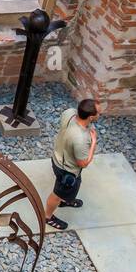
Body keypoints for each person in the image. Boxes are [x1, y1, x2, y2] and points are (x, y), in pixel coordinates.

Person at [45, 98, 100, 231]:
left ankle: (66, 200)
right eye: (99, 113)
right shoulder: (80, 139)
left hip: (58, 157)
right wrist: (93, 143)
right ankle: (47, 216)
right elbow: (83, 163)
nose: (100, 115)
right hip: (66, 171)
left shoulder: (69, 113)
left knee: (70, 189)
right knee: (57, 194)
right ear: (91, 117)